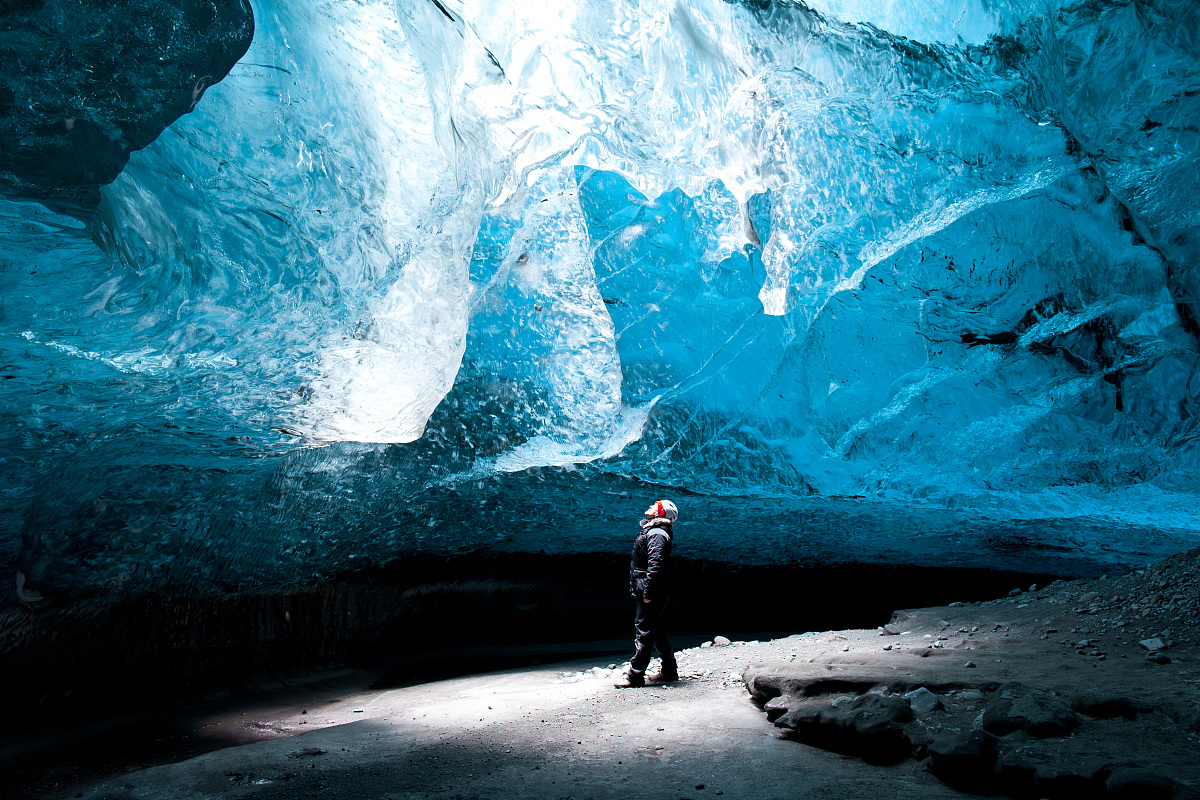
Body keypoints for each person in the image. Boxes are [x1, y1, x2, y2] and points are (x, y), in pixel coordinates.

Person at [616, 499, 679, 688]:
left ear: (661, 513)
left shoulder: (657, 533)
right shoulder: (654, 530)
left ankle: (634, 677)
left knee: (644, 631)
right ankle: (669, 672)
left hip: (651, 590)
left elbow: (656, 565)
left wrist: (648, 591)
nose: (651, 506)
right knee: (657, 631)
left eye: (656, 505)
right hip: (651, 588)